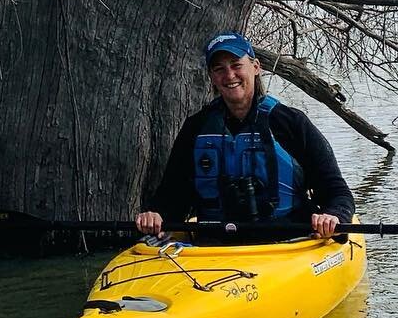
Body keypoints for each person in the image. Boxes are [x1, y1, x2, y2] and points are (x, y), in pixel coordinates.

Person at [135, 32, 354, 239]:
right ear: (211, 76)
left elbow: (336, 191)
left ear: (256, 67)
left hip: (289, 240)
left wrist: (333, 215)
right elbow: (173, 194)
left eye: (236, 65)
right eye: (219, 69)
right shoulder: (197, 127)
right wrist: (156, 214)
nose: (229, 75)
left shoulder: (291, 122)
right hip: (214, 244)